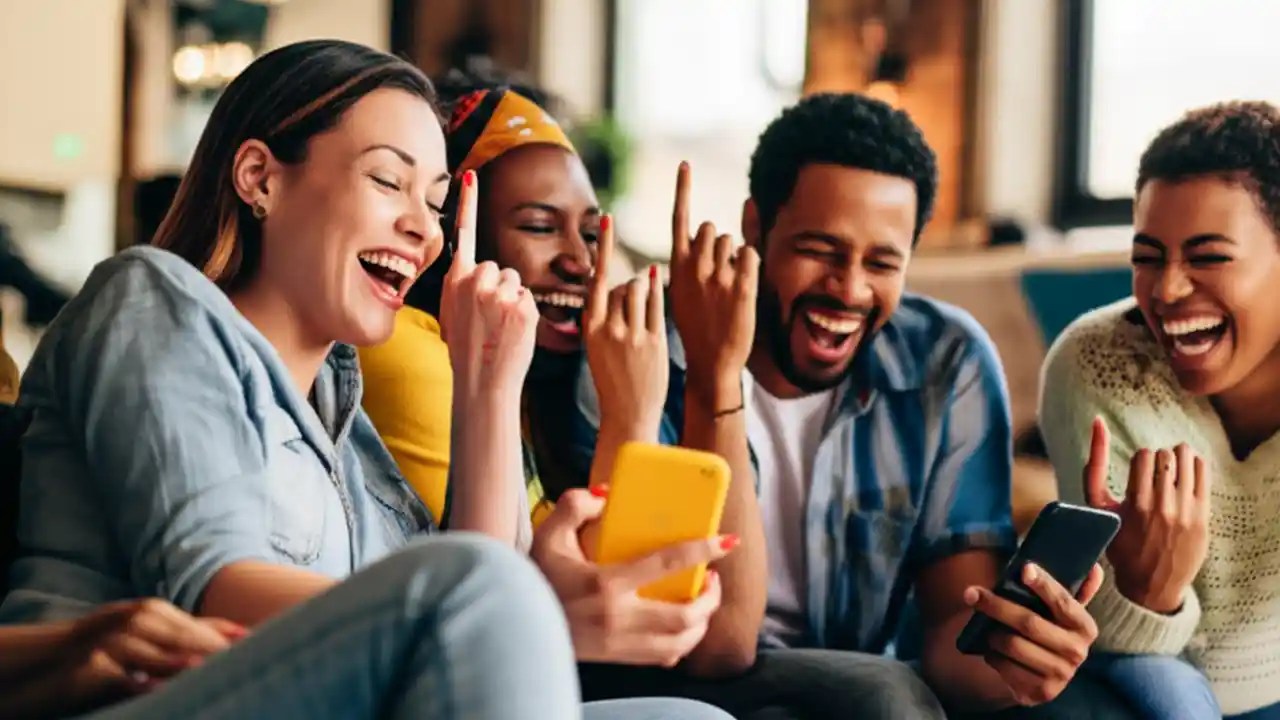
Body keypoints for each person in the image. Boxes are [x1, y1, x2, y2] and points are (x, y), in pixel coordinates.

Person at [0, 39, 732, 720]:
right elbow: (216, 591)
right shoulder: (155, 303)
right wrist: (524, 614)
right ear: (259, 177)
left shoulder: (346, 426)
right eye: (388, 181)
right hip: (130, 701)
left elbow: (475, 644)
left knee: (686, 718)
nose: (425, 229)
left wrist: (487, 383)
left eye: (436, 204)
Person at [565, 94, 1119, 719]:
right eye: (820, 250)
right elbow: (715, 651)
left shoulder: (945, 361)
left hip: (854, 688)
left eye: (882, 262)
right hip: (685, 678)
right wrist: (715, 381)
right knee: (887, 695)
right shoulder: (636, 349)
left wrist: (1019, 663)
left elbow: (954, 631)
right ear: (755, 227)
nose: (849, 290)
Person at [359, 81, 768, 679]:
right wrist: (629, 419)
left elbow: (723, 641)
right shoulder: (412, 350)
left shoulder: (577, 370)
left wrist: (715, 374)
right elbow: (605, 623)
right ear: (452, 240)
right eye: (539, 226)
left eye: (592, 234)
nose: (580, 261)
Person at [1041, 101, 1280, 719]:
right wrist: (1152, 592)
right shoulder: (1096, 365)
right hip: (1147, 675)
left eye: (1208, 257)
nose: (1167, 290)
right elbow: (1106, 631)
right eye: (1147, 258)